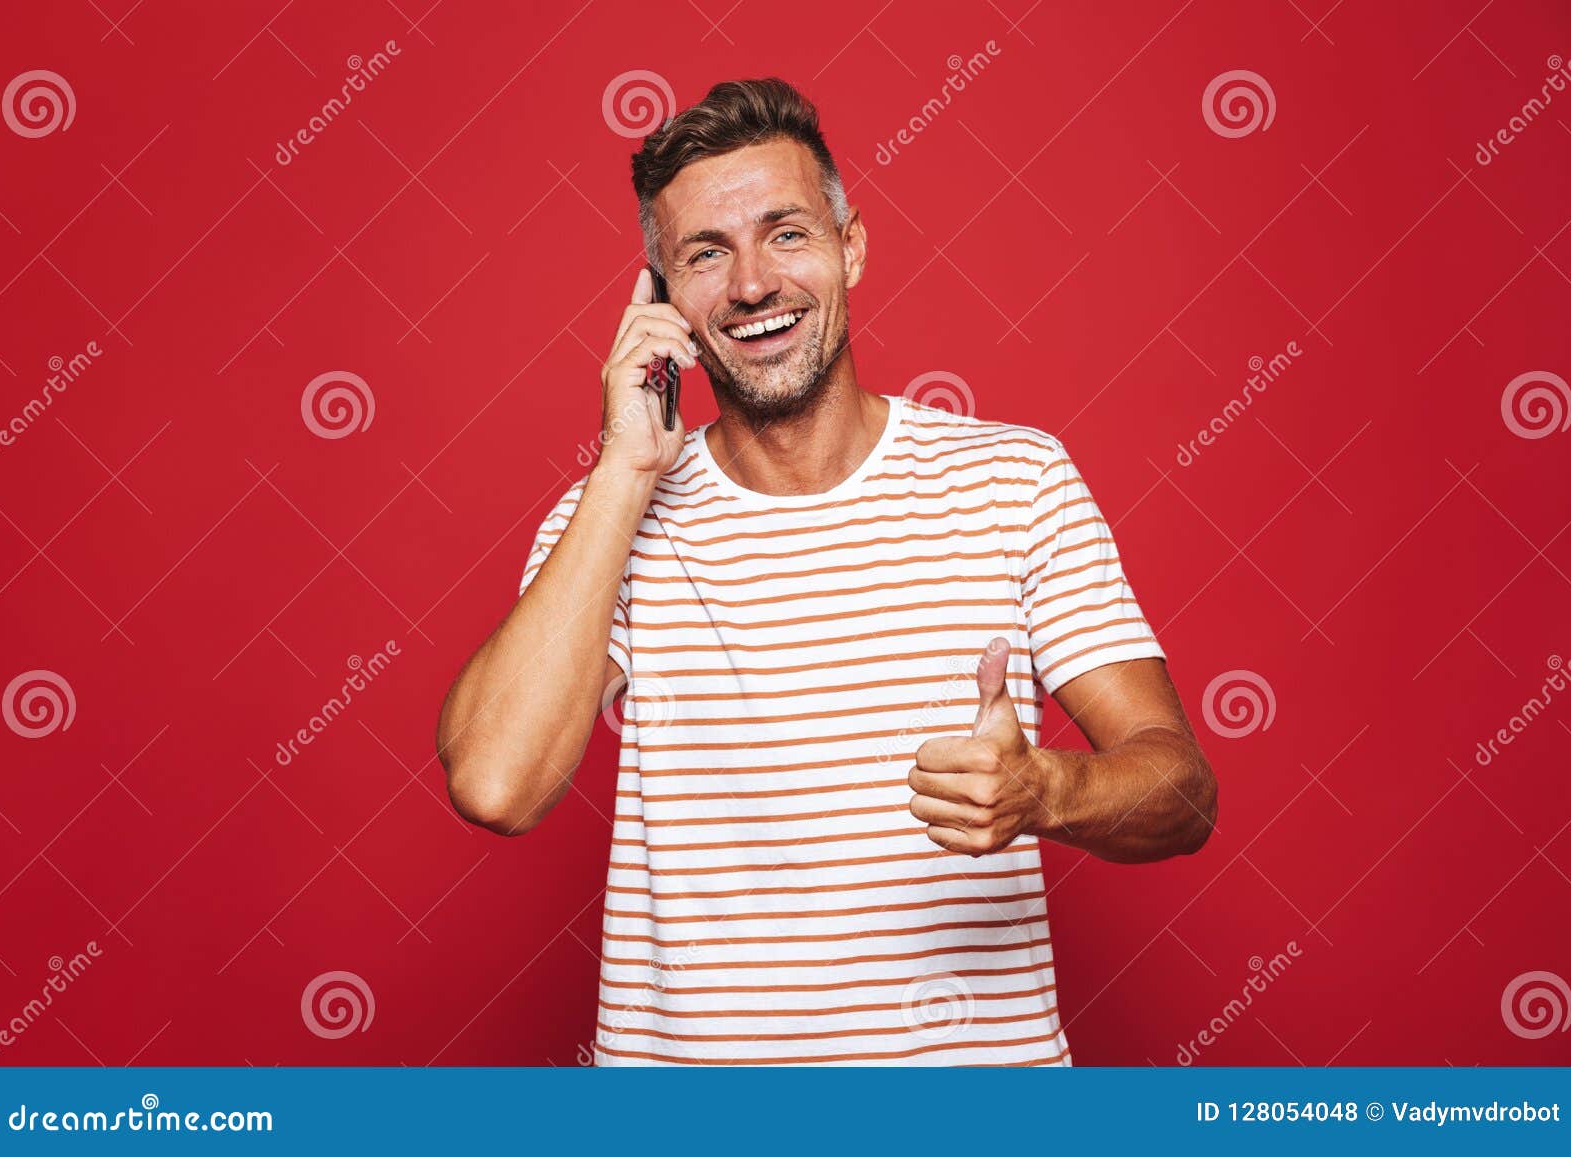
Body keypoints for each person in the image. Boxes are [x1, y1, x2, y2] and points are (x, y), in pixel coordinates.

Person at [436, 77, 1217, 1066]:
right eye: (705, 254)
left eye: (787, 234)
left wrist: (1047, 789)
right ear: (662, 298)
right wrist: (625, 468)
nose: (754, 283)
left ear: (851, 245)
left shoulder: (1015, 481)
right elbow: (498, 784)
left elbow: (1182, 791)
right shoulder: (612, 517)